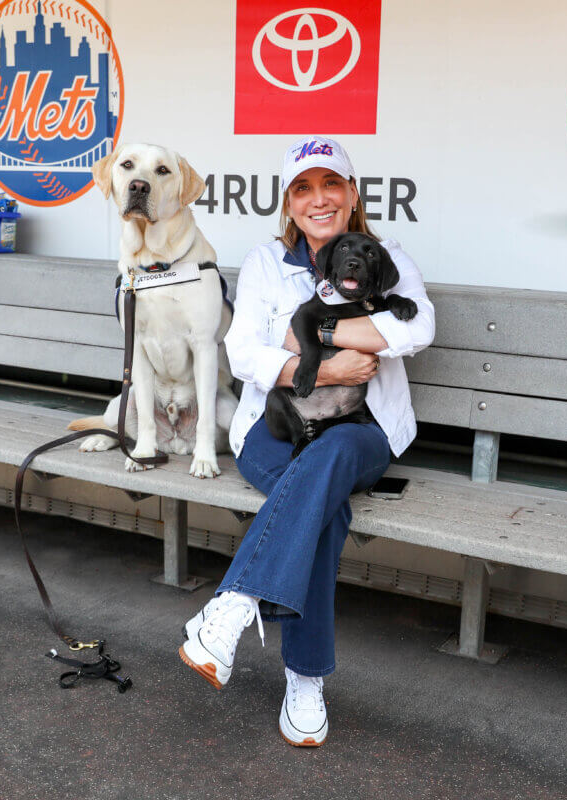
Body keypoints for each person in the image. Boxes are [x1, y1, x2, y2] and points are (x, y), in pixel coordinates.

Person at [178, 136, 435, 747]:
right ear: (289, 204)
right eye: (303, 189)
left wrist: (311, 336)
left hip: (362, 431)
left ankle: (234, 604)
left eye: (331, 186)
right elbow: (243, 353)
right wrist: (327, 367)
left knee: (335, 455)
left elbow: (417, 326)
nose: (318, 199)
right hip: (273, 428)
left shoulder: (387, 256)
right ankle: (304, 677)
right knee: (324, 507)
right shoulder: (268, 262)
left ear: (351, 196)